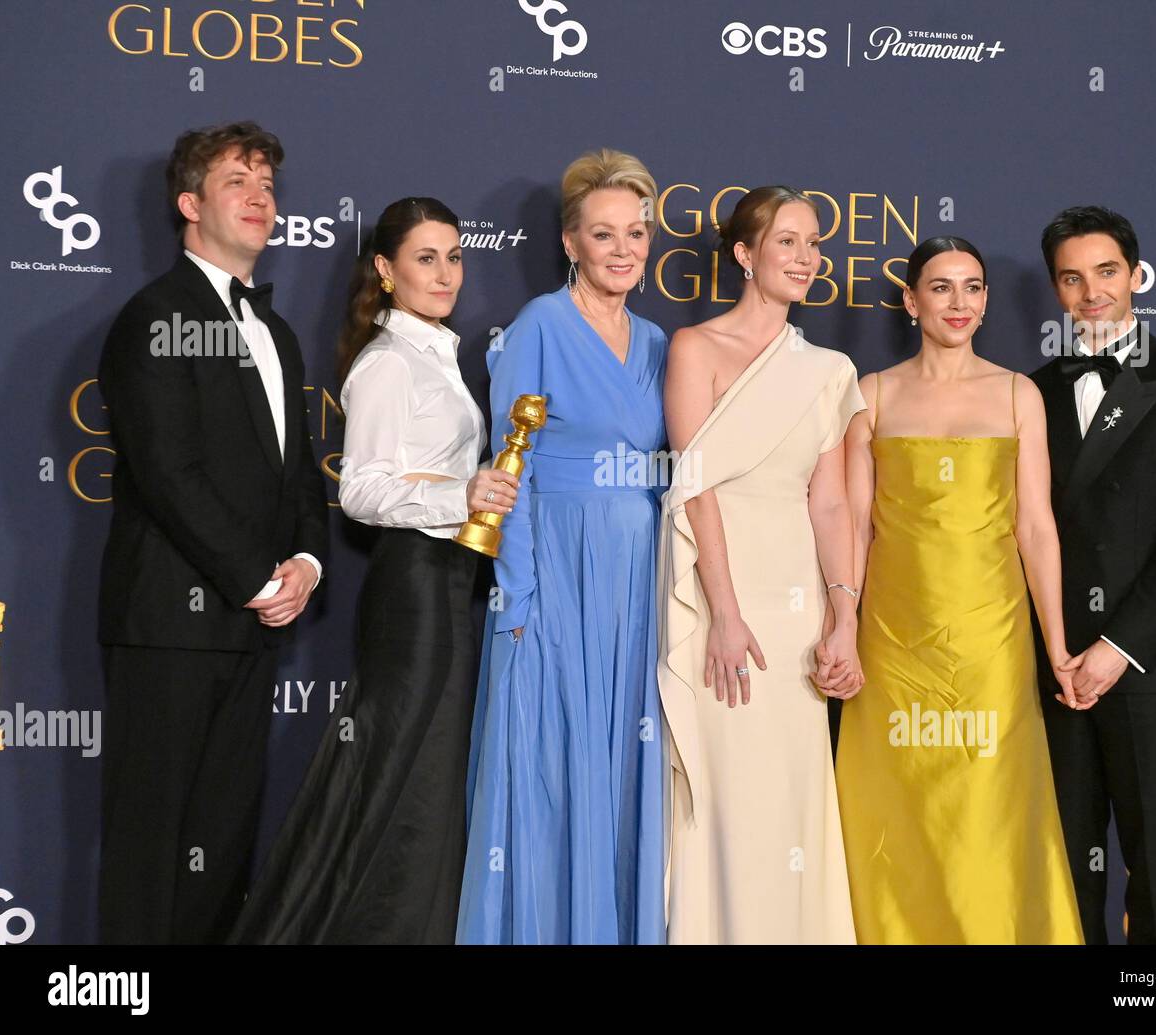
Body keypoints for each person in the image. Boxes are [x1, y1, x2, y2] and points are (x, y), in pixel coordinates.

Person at [229, 198, 517, 944]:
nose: (446, 273)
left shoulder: (434, 352)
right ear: (385, 270)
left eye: (455, 256)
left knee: (424, 778)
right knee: (400, 775)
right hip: (415, 588)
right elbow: (358, 492)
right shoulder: (387, 362)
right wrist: (465, 493)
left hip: (449, 582)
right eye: (426, 258)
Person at [96, 122, 329, 944]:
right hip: (167, 623)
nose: (260, 196)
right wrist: (258, 578)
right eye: (238, 181)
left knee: (222, 846)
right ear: (190, 204)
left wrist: (305, 561)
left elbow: (299, 471)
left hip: (252, 631)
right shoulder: (154, 315)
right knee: (149, 845)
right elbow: (168, 474)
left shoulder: (279, 332)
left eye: (267, 183)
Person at [835, 236, 1083, 944]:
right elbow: (854, 522)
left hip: (991, 644)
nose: (959, 303)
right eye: (941, 288)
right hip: (892, 640)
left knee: (987, 813)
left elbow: (1036, 528)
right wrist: (842, 625)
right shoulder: (872, 393)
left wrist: (1058, 647)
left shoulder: (1016, 393)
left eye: (972, 288)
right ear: (911, 302)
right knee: (899, 807)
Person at [456, 149, 668, 944]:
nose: (623, 249)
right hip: (553, 576)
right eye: (604, 234)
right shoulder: (540, 325)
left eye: (636, 233)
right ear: (570, 243)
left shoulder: (654, 340)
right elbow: (513, 467)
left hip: (635, 579)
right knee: (546, 762)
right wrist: (519, 595)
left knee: (619, 767)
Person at [658, 186, 864, 944]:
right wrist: (723, 612)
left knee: (790, 799)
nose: (807, 257)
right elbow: (696, 485)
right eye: (788, 241)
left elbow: (833, 505)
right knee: (728, 796)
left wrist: (844, 619)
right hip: (720, 603)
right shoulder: (694, 348)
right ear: (745, 255)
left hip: (796, 608)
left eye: (814, 243)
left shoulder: (830, 369)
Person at [1030, 206, 1156, 945]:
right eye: (1072, 277)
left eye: (1106, 272)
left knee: (1154, 863)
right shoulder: (1031, 391)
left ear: (1136, 275)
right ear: (1055, 287)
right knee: (1063, 863)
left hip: (1144, 660)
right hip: (1053, 663)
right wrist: (1059, 648)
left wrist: (1116, 647)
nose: (1091, 292)